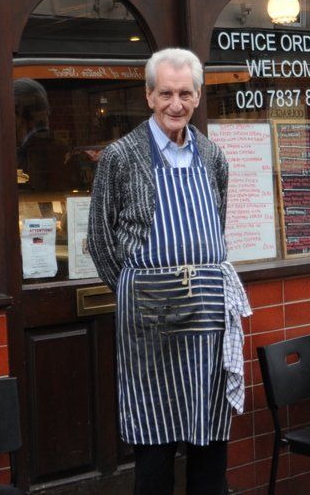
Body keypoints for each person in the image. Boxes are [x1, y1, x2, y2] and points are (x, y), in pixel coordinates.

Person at [87, 48, 251, 494]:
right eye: (165, 93)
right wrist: (140, 289)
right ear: (148, 96)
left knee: (210, 440)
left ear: (197, 97)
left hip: (208, 314)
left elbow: (213, 224)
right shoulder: (120, 158)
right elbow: (100, 242)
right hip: (149, 320)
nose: (175, 104)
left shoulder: (213, 156)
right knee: (155, 444)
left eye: (184, 93)